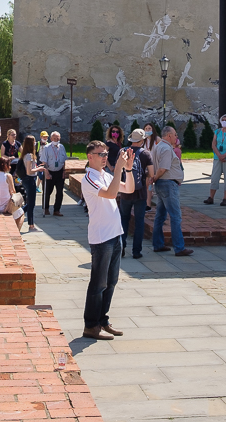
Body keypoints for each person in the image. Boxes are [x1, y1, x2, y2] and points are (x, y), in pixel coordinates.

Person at [81, 140, 135, 340]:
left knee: (111, 281)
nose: (105, 157)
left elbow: (128, 189)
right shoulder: (89, 178)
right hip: (101, 237)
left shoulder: (104, 175)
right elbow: (111, 194)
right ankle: (91, 326)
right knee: (98, 283)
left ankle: (102, 320)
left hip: (115, 234)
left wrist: (128, 169)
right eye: (101, 154)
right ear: (90, 156)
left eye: (106, 154)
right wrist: (119, 167)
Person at [151, 125, 193, 256]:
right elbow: (163, 168)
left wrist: (155, 179)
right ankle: (179, 247)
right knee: (175, 216)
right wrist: (155, 178)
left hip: (163, 184)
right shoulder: (166, 148)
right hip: (168, 184)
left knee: (160, 216)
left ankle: (158, 244)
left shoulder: (158, 147)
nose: (176, 137)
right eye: (175, 135)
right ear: (169, 135)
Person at [118, 129, 153, 259]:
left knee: (123, 219)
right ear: (142, 141)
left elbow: (118, 170)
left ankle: (121, 247)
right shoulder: (145, 153)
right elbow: (151, 173)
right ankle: (136, 251)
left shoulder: (122, 152)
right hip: (140, 192)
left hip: (125, 191)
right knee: (139, 221)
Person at [205, 114, 226, 206]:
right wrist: (219, 155)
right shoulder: (218, 131)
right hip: (217, 158)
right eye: (223, 120)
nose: (224, 121)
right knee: (214, 178)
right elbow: (213, 144)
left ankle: (225, 199)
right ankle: (211, 197)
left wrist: (224, 155)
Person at [0, 157, 25, 232]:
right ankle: (16, 233)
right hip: (7, 207)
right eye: (9, 165)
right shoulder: (8, 176)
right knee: (21, 214)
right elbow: (13, 192)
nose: (10, 167)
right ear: (5, 166)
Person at [17, 135, 41, 232]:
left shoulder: (26, 155)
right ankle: (31, 225)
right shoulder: (29, 155)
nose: (36, 143)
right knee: (31, 203)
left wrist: (37, 166)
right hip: (29, 179)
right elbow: (29, 171)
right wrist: (39, 169)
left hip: (28, 179)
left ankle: (19, 215)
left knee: (30, 203)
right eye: (34, 141)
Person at [40, 131, 67, 216]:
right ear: (51, 139)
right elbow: (44, 161)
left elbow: (64, 160)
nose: (56, 139)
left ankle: (57, 210)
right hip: (49, 171)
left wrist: (64, 171)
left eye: (57, 138)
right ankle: (46, 208)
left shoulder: (61, 147)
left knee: (60, 192)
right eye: (54, 138)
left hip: (59, 172)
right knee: (47, 191)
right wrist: (47, 173)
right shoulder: (46, 148)